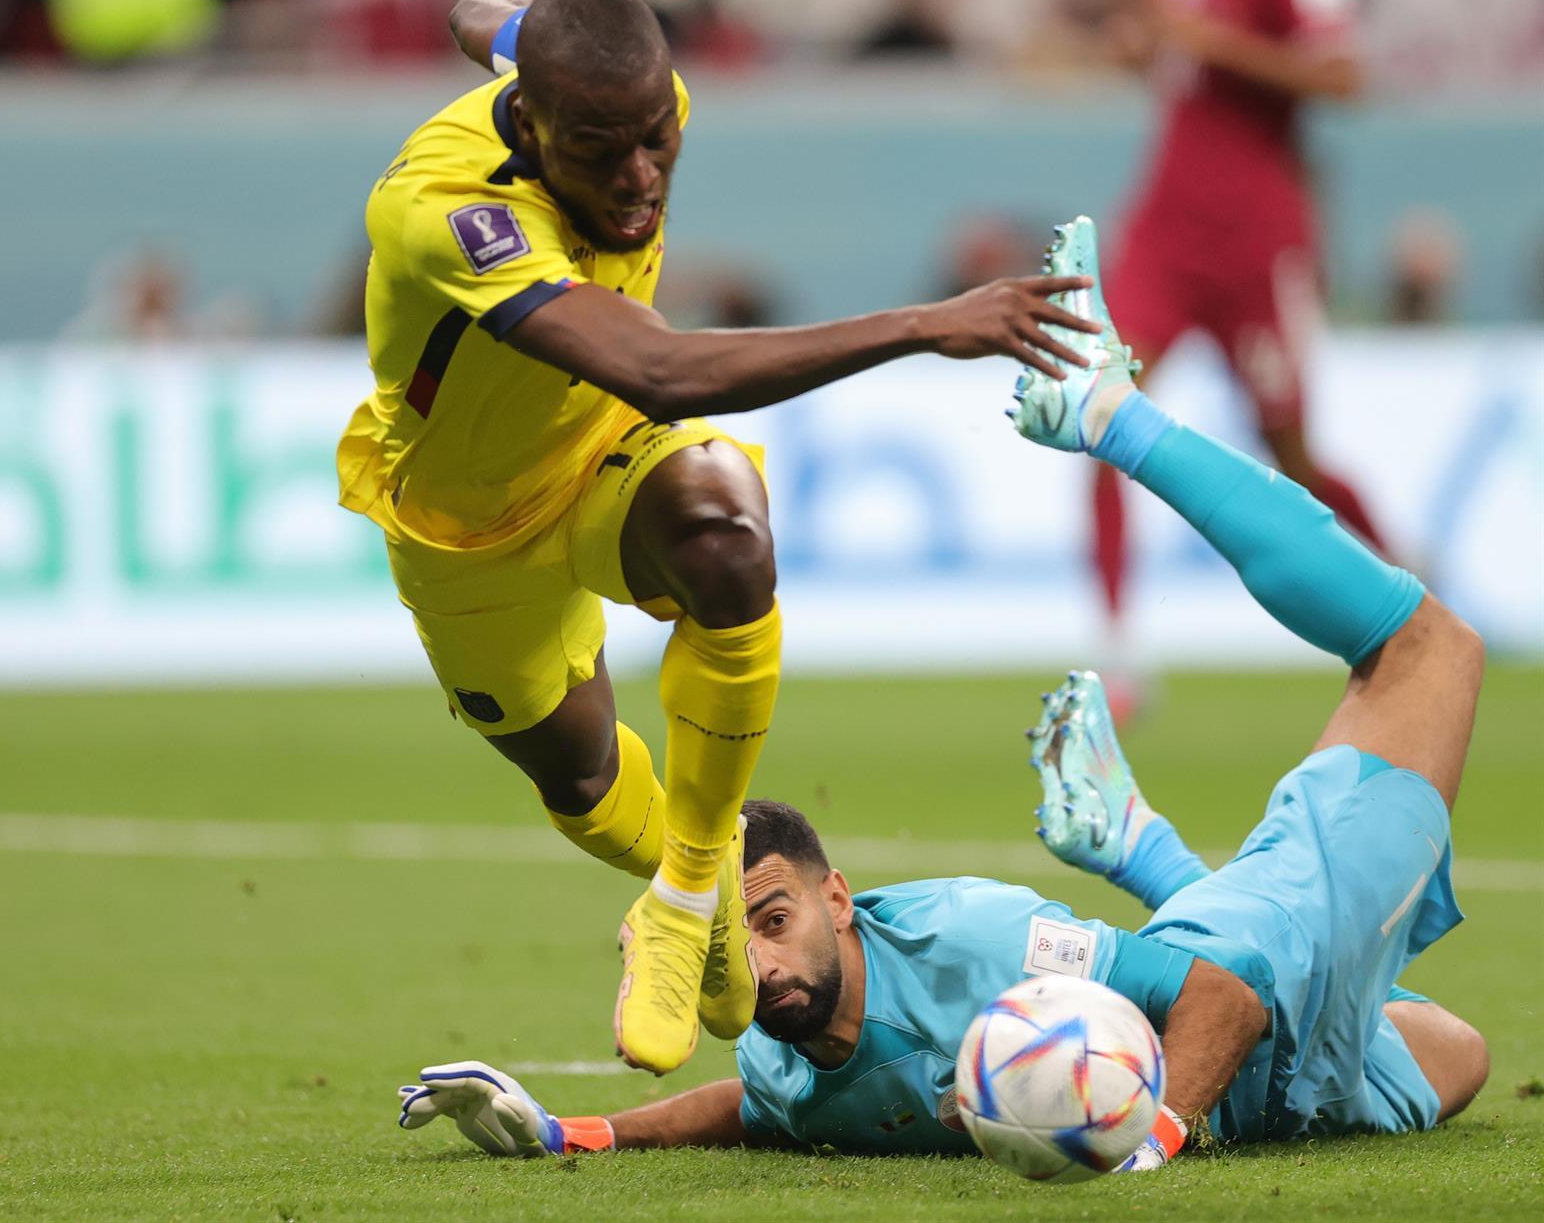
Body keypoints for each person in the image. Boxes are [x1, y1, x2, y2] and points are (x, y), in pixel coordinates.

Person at [395, 217, 1488, 1167]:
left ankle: (1113, 416)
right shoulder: (788, 1057)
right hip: (1312, 1093)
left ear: (838, 899)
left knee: (1423, 645)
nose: (763, 963)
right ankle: (1143, 847)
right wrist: (567, 1131)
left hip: (1251, 984)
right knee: (1462, 1054)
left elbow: (1227, 996)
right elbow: (747, 1109)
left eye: (774, 919)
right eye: (742, 932)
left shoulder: (976, 936)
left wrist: (1150, 1140)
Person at [335, 0, 1104, 1077]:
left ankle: (690, 893)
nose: (641, 174)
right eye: (601, 153)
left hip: (602, 448)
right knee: (582, 780)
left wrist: (509, 3)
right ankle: (693, 896)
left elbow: (486, 19)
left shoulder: (614, 88)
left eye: (658, 137)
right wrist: (926, 323)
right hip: (469, 524)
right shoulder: (447, 210)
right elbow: (658, 367)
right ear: (535, 130)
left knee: (726, 533)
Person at [1095, 0, 1390, 717]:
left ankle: (1407, 591)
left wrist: (1213, 42)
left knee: (1293, 455)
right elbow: (1184, 71)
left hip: (1255, 241)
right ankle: (1120, 652)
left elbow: (1344, 76)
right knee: (1099, 411)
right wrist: (1143, 46)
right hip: (1165, 230)